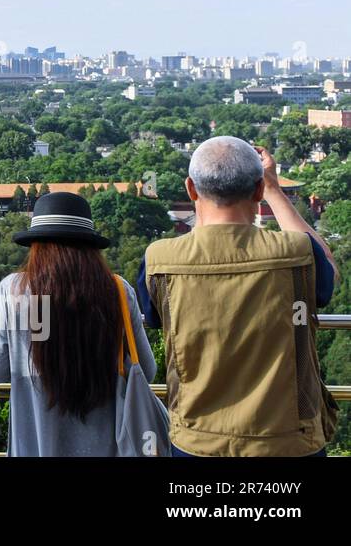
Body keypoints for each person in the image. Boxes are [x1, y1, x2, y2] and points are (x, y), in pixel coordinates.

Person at [137, 136, 339, 457]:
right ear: (258, 192)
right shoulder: (297, 253)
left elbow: (156, 318)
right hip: (289, 439)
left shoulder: (159, 260)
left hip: (197, 440)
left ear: (191, 189)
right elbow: (329, 268)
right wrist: (274, 188)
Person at [0, 191, 156, 456]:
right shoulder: (118, 291)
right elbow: (147, 369)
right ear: (90, 246)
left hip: (35, 446)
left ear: (36, 245)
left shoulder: (12, 290)